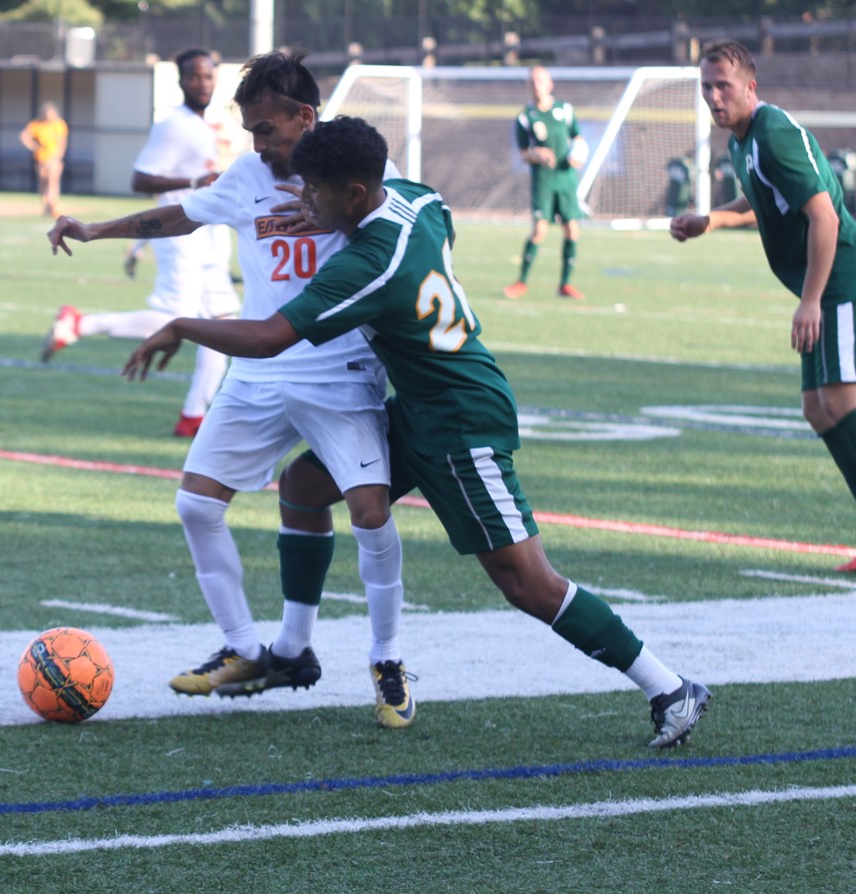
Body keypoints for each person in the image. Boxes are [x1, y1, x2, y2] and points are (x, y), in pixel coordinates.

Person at [124, 116, 712, 748]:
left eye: (314, 193)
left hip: (460, 422)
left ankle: (668, 687)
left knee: (527, 582)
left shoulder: (368, 266)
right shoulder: (418, 200)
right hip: (424, 406)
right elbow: (438, 220)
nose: (304, 205)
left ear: (353, 193)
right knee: (302, 485)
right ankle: (293, 649)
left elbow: (268, 338)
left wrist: (183, 326)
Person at [51, 51, 417, 729]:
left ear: (305, 118)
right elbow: (183, 215)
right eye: (250, 130)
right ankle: (250, 651)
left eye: (267, 129)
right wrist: (96, 230)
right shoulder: (250, 174)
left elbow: (413, 233)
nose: (257, 143)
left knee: (369, 510)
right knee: (196, 505)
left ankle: (387, 658)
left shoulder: (364, 176)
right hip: (257, 367)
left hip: (337, 368)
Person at [671, 40, 856, 574]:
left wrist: (812, 301)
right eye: (706, 86)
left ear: (751, 87)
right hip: (821, 287)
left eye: (722, 85)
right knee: (817, 408)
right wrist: (712, 220)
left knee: (839, 402)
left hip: (840, 279)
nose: (712, 96)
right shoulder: (743, 140)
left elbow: (825, 217)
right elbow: (760, 199)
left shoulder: (772, 132)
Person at [41, 48, 242, 438]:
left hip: (210, 235)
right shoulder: (174, 125)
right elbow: (141, 180)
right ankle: (81, 323)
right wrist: (194, 183)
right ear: (180, 81)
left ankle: (193, 415)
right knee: (176, 317)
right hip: (178, 233)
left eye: (207, 76)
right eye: (193, 77)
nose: (202, 83)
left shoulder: (204, 125)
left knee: (224, 325)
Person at [503, 65, 588, 302]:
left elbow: (578, 139)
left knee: (572, 228)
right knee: (539, 230)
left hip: (566, 178)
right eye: (532, 81)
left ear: (550, 84)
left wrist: (579, 154)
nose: (536, 85)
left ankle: (565, 284)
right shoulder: (525, 116)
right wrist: (536, 153)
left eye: (540, 81)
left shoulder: (565, 110)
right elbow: (522, 153)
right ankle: (521, 281)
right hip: (543, 180)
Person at [20, 102, 68, 218]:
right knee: (43, 183)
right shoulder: (36, 125)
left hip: (53, 159)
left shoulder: (59, 125)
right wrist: (34, 146)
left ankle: (53, 206)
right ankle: (45, 205)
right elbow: (24, 136)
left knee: (53, 182)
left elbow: (61, 143)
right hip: (41, 158)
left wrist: (56, 158)